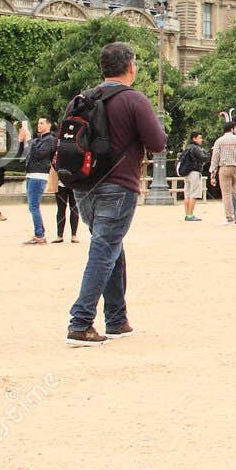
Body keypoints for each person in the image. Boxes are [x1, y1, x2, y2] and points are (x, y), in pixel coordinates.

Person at [64, 41, 168, 345]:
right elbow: (157, 143)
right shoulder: (134, 100)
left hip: (84, 187)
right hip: (118, 185)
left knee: (110, 247)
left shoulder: (80, 100)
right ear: (131, 67)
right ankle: (80, 322)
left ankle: (116, 318)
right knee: (104, 250)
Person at [19, 118, 58, 244]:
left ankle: (40, 235)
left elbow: (40, 154)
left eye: (42, 123)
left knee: (34, 206)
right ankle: (39, 232)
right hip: (32, 174)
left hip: (39, 175)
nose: (38, 125)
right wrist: (22, 141)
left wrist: (29, 139)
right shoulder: (38, 140)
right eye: (38, 123)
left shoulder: (50, 140)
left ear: (49, 125)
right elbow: (24, 154)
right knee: (32, 206)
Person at [210, 123, 236, 225]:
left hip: (224, 168)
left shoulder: (219, 141)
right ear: (232, 129)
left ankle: (229, 218)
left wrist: (212, 175)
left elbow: (215, 159)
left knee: (226, 194)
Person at [176, 130, 209, 222]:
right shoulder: (195, 148)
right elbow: (204, 158)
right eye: (200, 138)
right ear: (194, 138)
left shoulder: (188, 148)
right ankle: (190, 215)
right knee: (194, 194)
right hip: (194, 172)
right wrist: (209, 153)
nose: (201, 140)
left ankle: (187, 214)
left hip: (186, 173)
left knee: (187, 194)